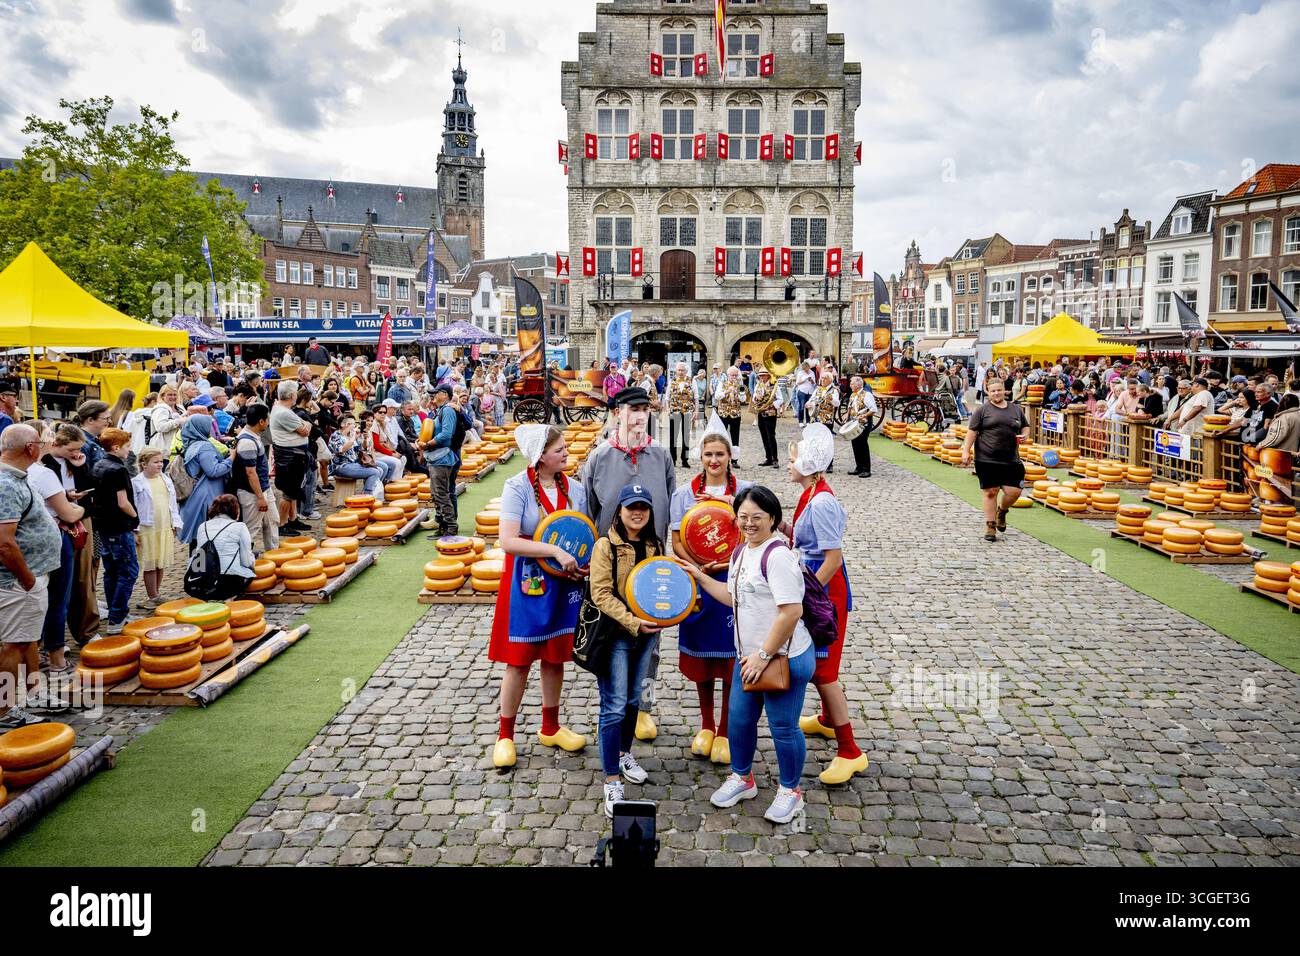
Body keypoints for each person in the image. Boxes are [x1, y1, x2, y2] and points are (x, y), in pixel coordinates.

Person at [680, 486, 815, 824]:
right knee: (739, 720)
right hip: (750, 657)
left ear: (773, 519)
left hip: (783, 657)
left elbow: (791, 612)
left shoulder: (778, 555)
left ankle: (791, 791)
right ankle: (743, 778)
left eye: (757, 517)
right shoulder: (742, 551)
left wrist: (764, 654)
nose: (750, 523)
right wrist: (699, 576)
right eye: (743, 517)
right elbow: (732, 596)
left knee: (783, 727)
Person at [488, 425, 590, 769]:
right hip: (528, 583)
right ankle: (505, 735)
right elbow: (508, 541)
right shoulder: (517, 487)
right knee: (519, 660)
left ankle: (550, 727)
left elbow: (582, 532)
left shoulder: (574, 488)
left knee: (554, 656)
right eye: (559, 449)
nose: (566, 452)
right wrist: (553, 551)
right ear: (540, 456)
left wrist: (580, 564)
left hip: (564, 582)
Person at [581, 387, 676, 742]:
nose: (639, 416)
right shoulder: (599, 458)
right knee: (608, 639)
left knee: (650, 642)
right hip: (612, 567)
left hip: (652, 567)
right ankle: (611, 705)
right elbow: (589, 513)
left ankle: (644, 709)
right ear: (618, 413)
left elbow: (666, 509)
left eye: (645, 410)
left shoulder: (661, 456)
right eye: (632, 409)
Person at [784, 424, 866, 783]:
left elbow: (832, 558)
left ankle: (850, 750)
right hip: (816, 582)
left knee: (825, 671)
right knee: (819, 665)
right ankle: (829, 721)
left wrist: (806, 596)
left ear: (807, 464)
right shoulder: (811, 494)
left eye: (793, 460)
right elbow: (805, 539)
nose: (788, 465)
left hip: (825, 591)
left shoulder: (821, 501)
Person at [670, 419, 751, 766]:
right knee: (704, 659)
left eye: (720, 454)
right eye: (708, 454)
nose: (714, 460)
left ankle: (725, 730)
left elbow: (756, 533)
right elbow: (676, 541)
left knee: (732, 659)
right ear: (700, 456)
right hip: (700, 583)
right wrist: (700, 566)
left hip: (734, 584)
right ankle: (705, 724)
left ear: (730, 456)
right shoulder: (684, 494)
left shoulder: (747, 490)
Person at [587, 483, 665, 814]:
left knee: (634, 700)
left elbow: (664, 583)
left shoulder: (654, 545)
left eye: (643, 507)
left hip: (646, 636)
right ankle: (610, 781)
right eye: (631, 506)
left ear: (649, 512)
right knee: (614, 705)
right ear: (619, 510)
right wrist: (633, 622)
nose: (637, 512)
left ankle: (622, 753)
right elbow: (600, 593)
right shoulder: (606, 546)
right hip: (616, 636)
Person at [0, 424, 65, 727]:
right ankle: (6, 710)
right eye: (41, 441)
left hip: (31, 576)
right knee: (13, 643)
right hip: (18, 581)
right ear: (30, 448)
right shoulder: (6, 483)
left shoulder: (16, 478)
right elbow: (4, 542)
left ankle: (34, 692)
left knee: (27, 640)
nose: (44, 445)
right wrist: (26, 579)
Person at [30, 424, 86, 674]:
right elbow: (67, 512)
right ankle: (56, 658)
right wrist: (80, 510)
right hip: (53, 535)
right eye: (48, 438)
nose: (52, 441)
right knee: (57, 597)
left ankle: (36, 653)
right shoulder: (42, 473)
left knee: (33, 599)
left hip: (25, 540)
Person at [961, 376, 1030, 542]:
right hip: (987, 458)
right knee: (991, 492)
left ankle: (1002, 511)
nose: (996, 393)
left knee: (1014, 492)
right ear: (988, 392)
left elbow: (1025, 426)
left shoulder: (1015, 409)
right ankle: (990, 526)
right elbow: (972, 432)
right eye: (993, 391)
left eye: (999, 390)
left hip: (1011, 459)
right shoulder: (982, 410)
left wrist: (1025, 435)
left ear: (1004, 390)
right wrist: (966, 451)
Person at [90, 428, 138, 634]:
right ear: (116, 447)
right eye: (127, 446)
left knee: (112, 571)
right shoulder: (118, 469)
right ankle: (117, 617)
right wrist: (135, 516)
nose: (129, 450)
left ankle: (115, 611)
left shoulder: (99, 464)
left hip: (103, 525)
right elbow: (122, 502)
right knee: (128, 571)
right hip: (119, 526)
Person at [131, 448, 181, 608]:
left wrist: (175, 522)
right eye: (156, 462)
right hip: (147, 528)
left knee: (160, 561)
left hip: (164, 525)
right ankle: (152, 595)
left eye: (161, 461)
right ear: (144, 464)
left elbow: (172, 504)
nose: (160, 465)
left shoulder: (165, 479)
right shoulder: (137, 482)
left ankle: (156, 594)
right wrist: (135, 529)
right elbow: (134, 506)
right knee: (150, 562)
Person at [177, 415, 234, 549]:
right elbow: (213, 471)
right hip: (205, 496)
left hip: (195, 495)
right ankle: (202, 568)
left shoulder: (191, 444)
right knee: (204, 539)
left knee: (198, 540)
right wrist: (231, 459)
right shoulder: (204, 447)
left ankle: (198, 567)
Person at [230, 403, 278, 554]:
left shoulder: (253, 436)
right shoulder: (247, 442)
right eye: (267, 419)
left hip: (263, 488)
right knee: (251, 529)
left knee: (272, 522)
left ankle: (274, 554)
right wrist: (260, 497)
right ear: (261, 421)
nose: (268, 422)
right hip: (251, 493)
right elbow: (250, 473)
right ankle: (241, 563)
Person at [191, 494, 256, 599]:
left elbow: (199, 561)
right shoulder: (240, 527)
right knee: (250, 569)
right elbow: (247, 562)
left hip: (203, 583)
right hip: (228, 584)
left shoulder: (202, 526)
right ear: (236, 510)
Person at [270, 381, 312, 534]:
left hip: (293, 455)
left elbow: (306, 425)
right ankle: (282, 524)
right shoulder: (284, 412)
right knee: (288, 492)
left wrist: (306, 424)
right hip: (290, 457)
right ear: (293, 395)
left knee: (293, 490)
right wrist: (306, 425)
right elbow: (305, 430)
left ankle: (292, 519)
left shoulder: (283, 409)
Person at [423, 386, 466, 535]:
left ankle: (451, 527)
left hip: (442, 458)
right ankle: (443, 525)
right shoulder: (440, 410)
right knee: (437, 493)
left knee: (442, 493)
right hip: (437, 458)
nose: (432, 396)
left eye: (435, 394)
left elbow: (446, 434)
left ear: (444, 395)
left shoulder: (447, 411)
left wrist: (427, 444)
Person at [330, 413, 386, 501]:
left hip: (355, 463)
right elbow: (341, 450)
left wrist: (364, 439)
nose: (353, 426)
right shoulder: (336, 436)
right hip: (342, 466)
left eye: (354, 424)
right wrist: (353, 438)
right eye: (350, 424)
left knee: (381, 469)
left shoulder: (351, 435)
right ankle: (367, 497)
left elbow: (363, 449)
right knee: (374, 472)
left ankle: (373, 492)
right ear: (342, 425)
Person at [713, 367, 748, 465]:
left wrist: (739, 392)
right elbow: (717, 396)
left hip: (735, 414)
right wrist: (726, 392)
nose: (734, 377)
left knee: (735, 437)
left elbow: (743, 399)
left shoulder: (740, 385)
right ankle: (721, 458)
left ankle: (735, 460)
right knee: (722, 436)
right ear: (728, 375)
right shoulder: (722, 384)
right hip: (723, 413)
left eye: (736, 375)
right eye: (732, 375)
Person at [845, 376, 878, 477]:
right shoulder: (853, 395)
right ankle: (858, 467)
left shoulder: (867, 395)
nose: (850, 385)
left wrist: (865, 415)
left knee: (863, 445)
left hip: (864, 423)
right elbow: (850, 408)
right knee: (855, 444)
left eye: (852, 383)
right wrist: (847, 416)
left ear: (859, 385)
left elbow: (873, 409)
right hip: (854, 423)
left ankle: (866, 469)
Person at [666, 361, 696, 468]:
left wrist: (695, 411)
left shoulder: (692, 381)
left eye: (682, 370)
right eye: (679, 370)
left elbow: (696, 397)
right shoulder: (672, 381)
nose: (680, 372)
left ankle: (685, 459)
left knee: (686, 436)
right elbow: (667, 397)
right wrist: (668, 408)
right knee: (673, 436)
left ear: (686, 371)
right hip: (674, 411)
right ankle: (672, 459)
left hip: (687, 411)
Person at [750, 366, 781, 466]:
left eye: (763, 375)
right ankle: (768, 458)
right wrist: (755, 398)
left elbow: (781, 399)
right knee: (764, 435)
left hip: (771, 413)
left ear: (768, 375)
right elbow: (754, 397)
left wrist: (773, 405)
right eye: (760, 375)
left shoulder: (774, 385)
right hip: (761, 412)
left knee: (771, 435)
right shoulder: (758, 385)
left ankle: (775, 458)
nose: (762, 377)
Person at [150, 384, 185, 456]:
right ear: (162, 396)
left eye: (175, 395)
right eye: (169, 395)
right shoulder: (160, 409)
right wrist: (179, 421)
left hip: (179, 449)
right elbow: (160, 427)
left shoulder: (180, 408)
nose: (173, 397)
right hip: (164, 451)